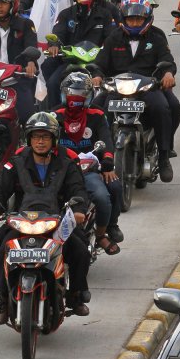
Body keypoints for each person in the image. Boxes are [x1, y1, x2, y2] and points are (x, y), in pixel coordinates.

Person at [0, 112, 91, 321]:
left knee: (81, 250)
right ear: (28, 139)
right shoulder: (16, 161)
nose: (40, 141)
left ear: (53, 139)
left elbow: (79, 190)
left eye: (45, 137)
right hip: (22, 222)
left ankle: (75, 295)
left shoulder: (67, 162)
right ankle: (3, 299)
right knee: (2, 245)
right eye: (36, 136)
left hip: (57, 223)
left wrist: (78, 209)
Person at [93, 0, 180, 182]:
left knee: (170, 107)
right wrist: (97, 76)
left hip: (148, 87)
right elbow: (99, 64)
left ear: (147, 18)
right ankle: (97, 154)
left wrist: (167, 74)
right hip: (118, 88)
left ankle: (164, 155)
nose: (134, 23)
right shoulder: (113, 38)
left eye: (138, 19)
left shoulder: (157, 36)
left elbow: (167, 60)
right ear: (124, 18)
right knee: (95, 109)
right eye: (130, 19)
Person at [55, 70, 123, 253]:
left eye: (80, 93)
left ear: (89, 95)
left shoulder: (97, 114)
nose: (75, 97)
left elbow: (107, 141)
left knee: (108, 193)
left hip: (89, 170)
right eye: (71, 93)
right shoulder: (54, 116)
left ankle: (104, 232)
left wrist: (108, 163)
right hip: (60, 170)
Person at [42, 0, 118, 107]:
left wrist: (107, 50)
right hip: (71, 63)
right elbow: (58, 33)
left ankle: (103, 121)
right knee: (53, 83)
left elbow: (111, 37)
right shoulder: (65, 14)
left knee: (111, 88)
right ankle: (54, 119)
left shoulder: (106, 15)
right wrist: (54, 44)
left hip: (98, 64)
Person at [0, 0, 38, 123]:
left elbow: (31, 47)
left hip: (17, 77)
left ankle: (27, 140)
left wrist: (30, 62)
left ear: (13, 4)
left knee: (28, 115)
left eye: (3, 3)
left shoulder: (26, 24)